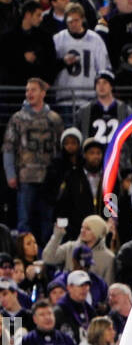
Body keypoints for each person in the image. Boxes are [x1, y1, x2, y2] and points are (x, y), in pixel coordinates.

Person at [1, 77, 64, 243]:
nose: (29, 93)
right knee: (24, 221)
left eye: (33, 90)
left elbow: (61, 149)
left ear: (43, 93)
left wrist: (59, 177)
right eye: (27, 90)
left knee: (47, 221)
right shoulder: (17, 118)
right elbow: (8, 147)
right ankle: (24, 258)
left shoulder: (54, 119)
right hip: (25, 177)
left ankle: (46, 260)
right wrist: (10, 174)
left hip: (48, 179)